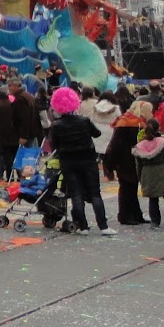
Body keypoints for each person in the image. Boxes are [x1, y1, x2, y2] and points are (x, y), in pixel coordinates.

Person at [46, 87, 114, 235]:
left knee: (76, 194)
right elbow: (97, 133)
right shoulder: (84, 120)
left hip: (68, 161)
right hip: (88, 159)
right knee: (95, 193)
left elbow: (54, 145)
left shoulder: (56, 125)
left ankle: (83, 226)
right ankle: (103, 226)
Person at [134, 118, 164, 229]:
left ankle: (155, 222)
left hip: (147, 172)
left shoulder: (140, 146)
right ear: (158, 128)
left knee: (153, 198)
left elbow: (138, 165)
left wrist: (140, 177)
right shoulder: (163, 143)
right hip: (163, 171)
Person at [104, 103, 148, 226]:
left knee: (131, 187)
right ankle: (126, 215)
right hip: (126, 160)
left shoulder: (128, 122)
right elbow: (115, 145)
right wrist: (110, 164)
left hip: (126, 159)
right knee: (127, 188)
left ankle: (135, 214)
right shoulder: (130, 124)